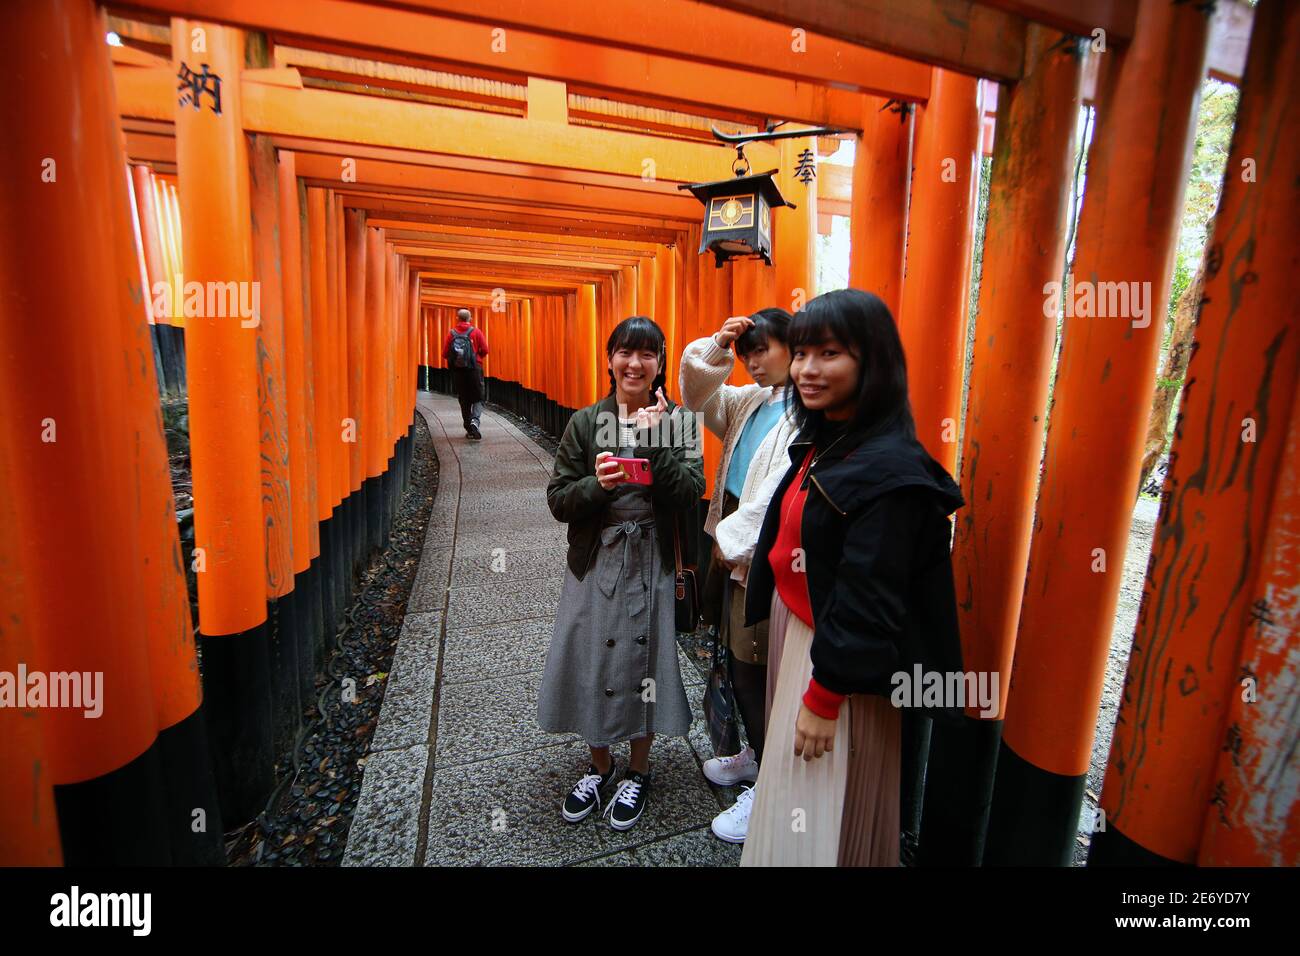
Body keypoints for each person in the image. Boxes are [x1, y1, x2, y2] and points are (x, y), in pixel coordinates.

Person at [739, 289, 965, 866]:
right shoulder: (832, 438)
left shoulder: (889, 469)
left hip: (837, 662)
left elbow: (872, 596)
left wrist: (823, 696)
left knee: (821, 806)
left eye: (830, 354)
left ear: (873, 362)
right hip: (805, 638)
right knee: (797, 795)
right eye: (802, 353)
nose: (807, 370)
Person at [538, 316, 705, 831]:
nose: (636, 364)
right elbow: (559, 499)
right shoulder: (586, 422)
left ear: (659, 363)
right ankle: (599, 766)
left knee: (644, 660)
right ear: (609, 359)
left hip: (652, 560)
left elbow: (689, 491)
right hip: (597, 560)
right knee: (592, 656)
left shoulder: (679, 421)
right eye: (625, 353)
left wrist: (654, 444)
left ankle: (638, 769)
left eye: (648, 354)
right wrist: (597, 485)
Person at [678, 308, 798, 844]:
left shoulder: (806, 412)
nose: (752, 360)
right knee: (733, 649)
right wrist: (718, 346)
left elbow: (778, 491)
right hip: (731, 545)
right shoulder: (748, 400)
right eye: (747, 352)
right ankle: (756, 755)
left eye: (761, 349)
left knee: (755, 664)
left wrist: (731, 544)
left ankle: (774, 787)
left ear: (795, 347)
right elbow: (696, 395)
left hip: (762, 556)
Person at [442, 308, 489, 439]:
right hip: (475, 369)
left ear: (457, 318)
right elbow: (485, 349)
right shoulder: (476, 332)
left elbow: (445, 353)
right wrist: (476, 357)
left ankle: (468, 428)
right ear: (470, 318)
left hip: (459, 372)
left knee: (464, 399)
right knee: (478, 397)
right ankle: (475, 421)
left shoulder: (451, 334)